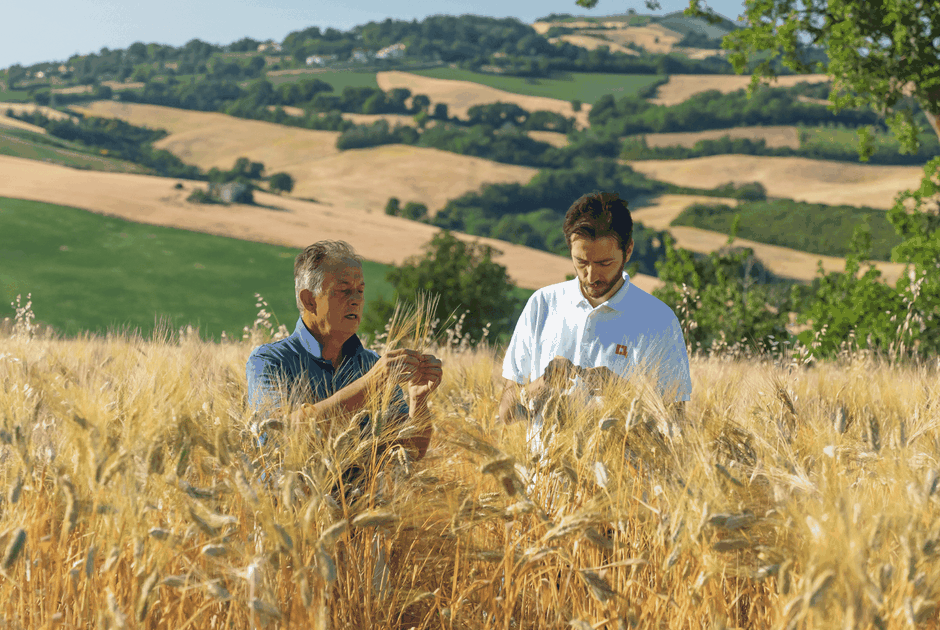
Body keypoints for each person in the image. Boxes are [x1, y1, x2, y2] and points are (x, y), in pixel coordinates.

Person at [498, 191, 692, 437]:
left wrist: (623, 392)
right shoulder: (542, 304)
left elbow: (676, 426)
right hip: (543, 473)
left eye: (604, 263)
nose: (591, 276)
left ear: (628, 250)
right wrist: (541, 385)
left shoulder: (659, 320)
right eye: (581, 262)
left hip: (625, 474)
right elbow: (506, 412)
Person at [246, 240, 443, 460]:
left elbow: (410, 453)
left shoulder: (372, 365)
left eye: (360, 290)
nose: (356, 300)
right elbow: (279, 435)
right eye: (344, 290)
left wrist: (419, 400)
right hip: (291, 494)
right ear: (310, 300)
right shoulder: (269, 361)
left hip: (362, 496)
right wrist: (370, 385)